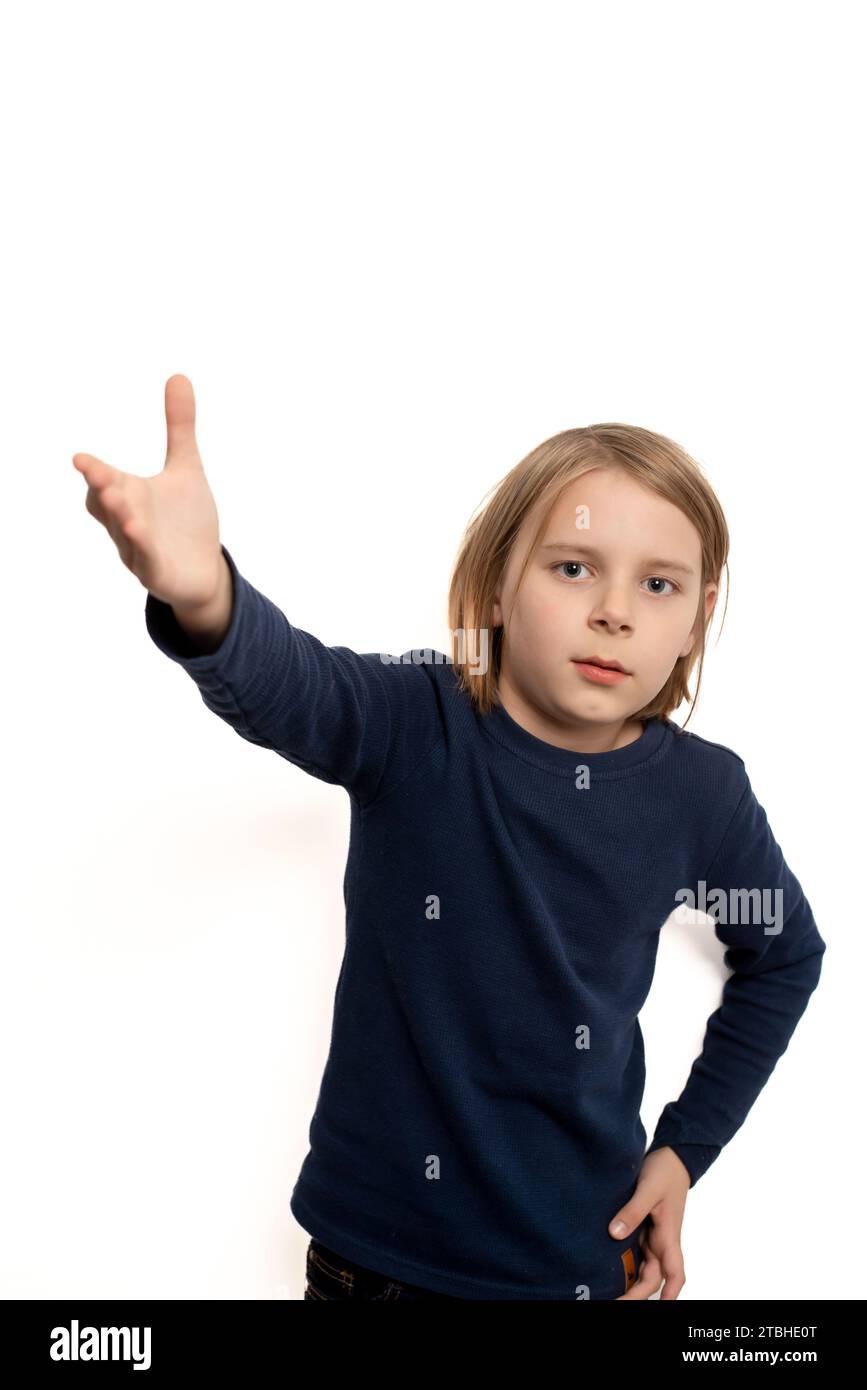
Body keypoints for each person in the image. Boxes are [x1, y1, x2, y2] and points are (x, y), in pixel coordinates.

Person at [73, 374, 826, 1301]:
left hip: (574, 1270)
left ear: (695, 617)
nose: (614, 610)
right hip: (369, 1267)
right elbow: (293, 686)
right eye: (573, 566)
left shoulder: (701, 793)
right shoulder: (415, 720)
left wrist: (684, 1148)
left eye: (657, 584)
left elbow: (784, 956)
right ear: (499, 585)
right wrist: (207, 597)